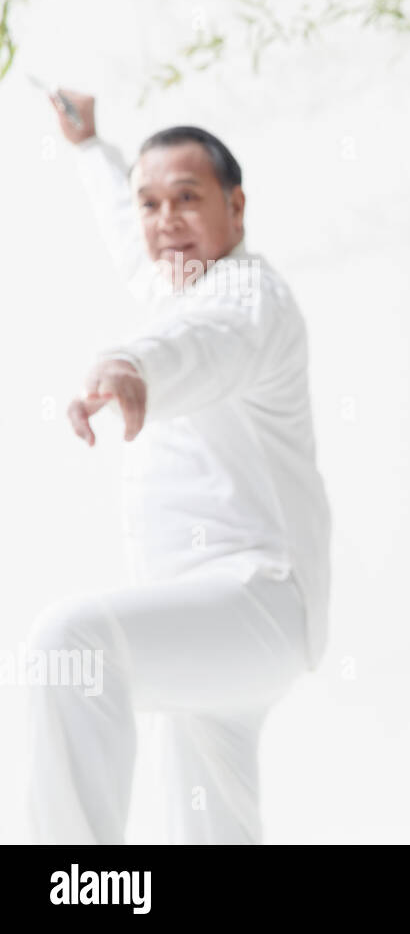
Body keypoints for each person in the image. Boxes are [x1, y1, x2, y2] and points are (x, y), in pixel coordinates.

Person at [26, 90, 331, 843]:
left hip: (252, 602)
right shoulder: (175, 279)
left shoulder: (250, 299)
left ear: (236, 204)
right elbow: (130, 237)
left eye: (187, 200)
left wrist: (131, 365)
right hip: (212, 618)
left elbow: (204, 344)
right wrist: (90, 147)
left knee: (73, 646)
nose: (166, 222)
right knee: (214, 824)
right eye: (151, 204)